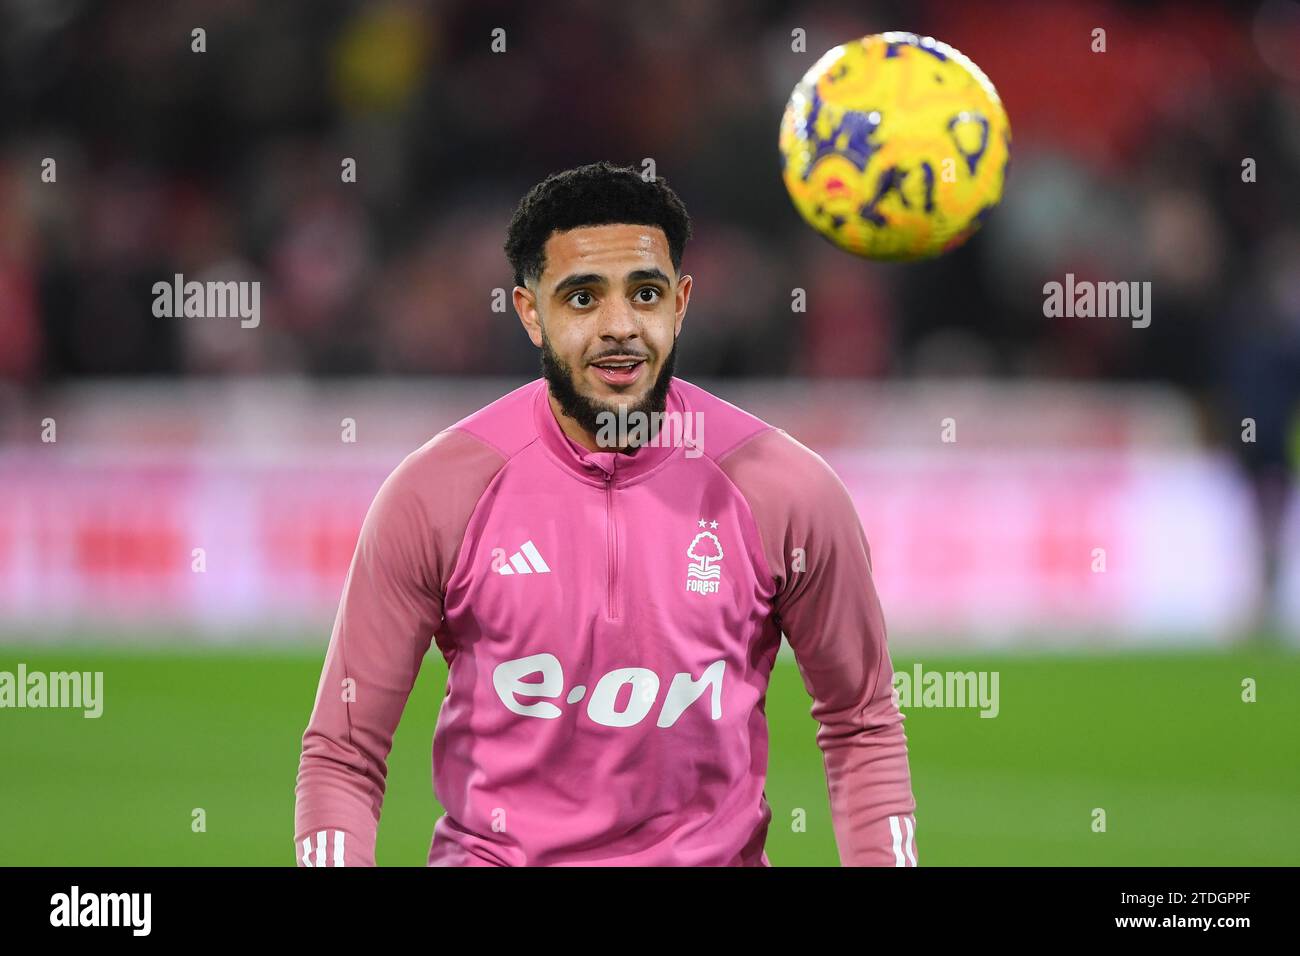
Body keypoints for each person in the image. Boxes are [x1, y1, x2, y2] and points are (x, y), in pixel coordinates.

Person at [294, 161, 917, 866]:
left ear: (680, 304)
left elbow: (861, 724)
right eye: (582, 298)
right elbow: (343, 753)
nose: (620, 327)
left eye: (644, 294)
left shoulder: (790, 493)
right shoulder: (435, 495)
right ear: (531, 313)